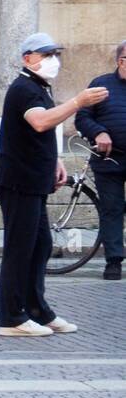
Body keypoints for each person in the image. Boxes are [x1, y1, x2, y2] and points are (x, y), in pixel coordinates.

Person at [0, 33, 107, 336]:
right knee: (19, 249)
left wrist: (53, 161)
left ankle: (37, 310)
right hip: (19, 182)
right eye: (45, 55)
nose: (52, 60)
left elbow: (40, 133)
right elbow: (41, 122)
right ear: (26, 58)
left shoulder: (38, 87)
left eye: (55, 54)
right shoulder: (24, 89)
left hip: (34, 178)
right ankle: (11, 318)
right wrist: (77, 102)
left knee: (40, 245)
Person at [74, 39, 126, 280]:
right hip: (109, 161)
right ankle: (114, 260)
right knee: (111, 209)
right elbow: (82, 118)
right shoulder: (100, 85)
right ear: (119, 61)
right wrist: (99, 132)